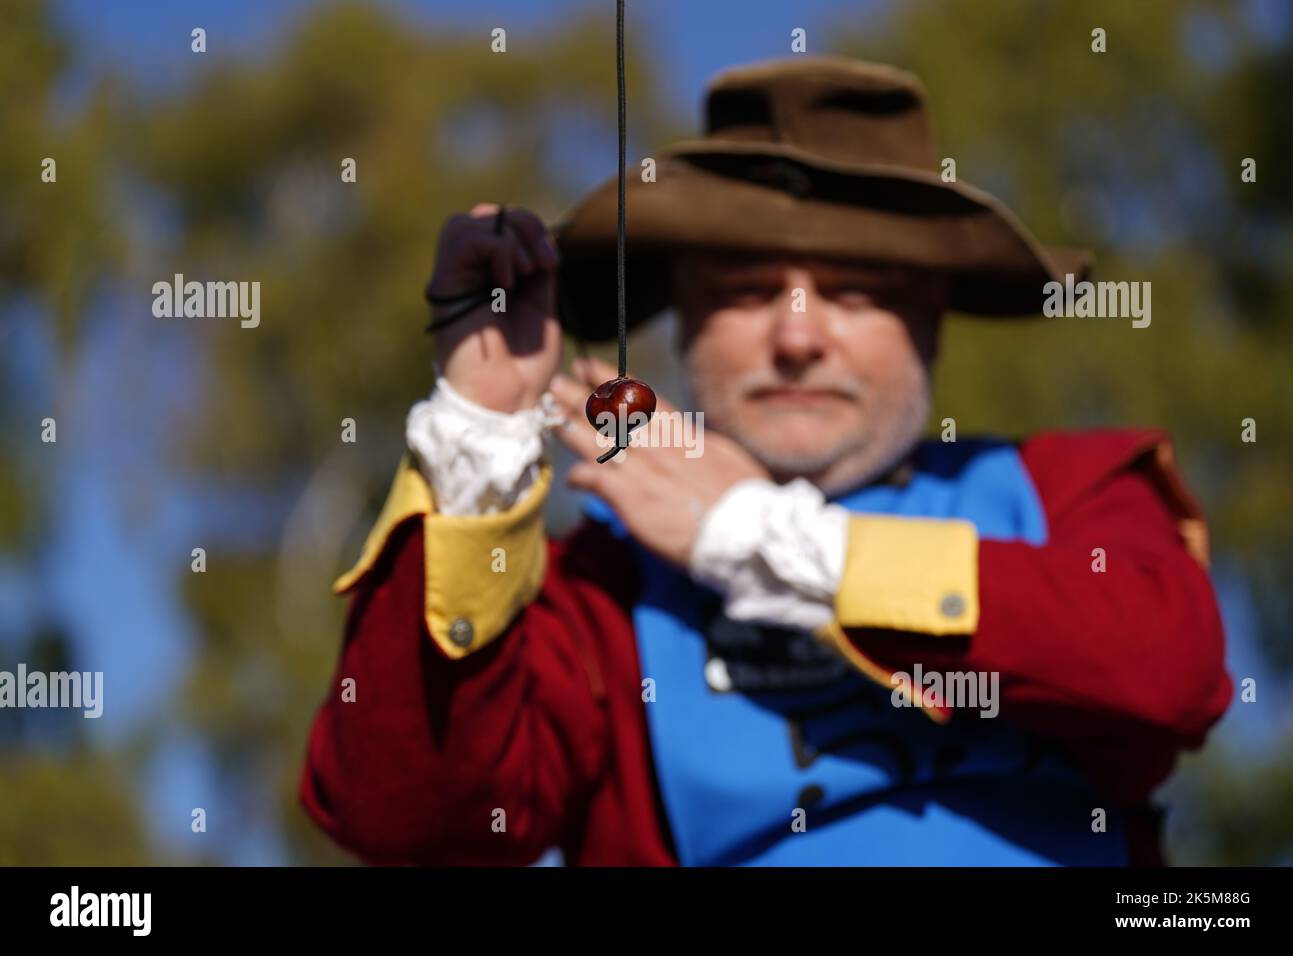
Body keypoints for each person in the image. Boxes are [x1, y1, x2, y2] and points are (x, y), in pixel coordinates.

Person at [299, 56, 1231, 866]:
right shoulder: (605, 587)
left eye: (853, 291)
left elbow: (1169, 673)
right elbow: (409, 819)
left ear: (930, 320)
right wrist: (479, 429)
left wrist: (759, 537)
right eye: (747, 292)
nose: (796, 336)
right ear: (686, 321)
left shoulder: (1063, 489)